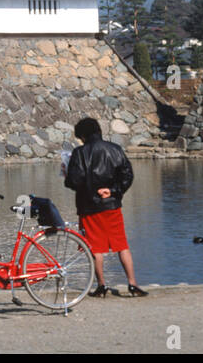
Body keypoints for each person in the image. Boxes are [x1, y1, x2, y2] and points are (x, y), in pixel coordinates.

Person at [63, 117, 147, 297]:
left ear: (83, 135)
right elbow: (128, 176)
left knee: (95, 247)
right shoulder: (115, 149)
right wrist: (113, 190)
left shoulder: (79, 153)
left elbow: (74, 182)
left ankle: (101, 286)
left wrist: (66, 174)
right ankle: (132, 284)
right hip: (112, 206)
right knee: (121, 245)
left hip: (89, 207)